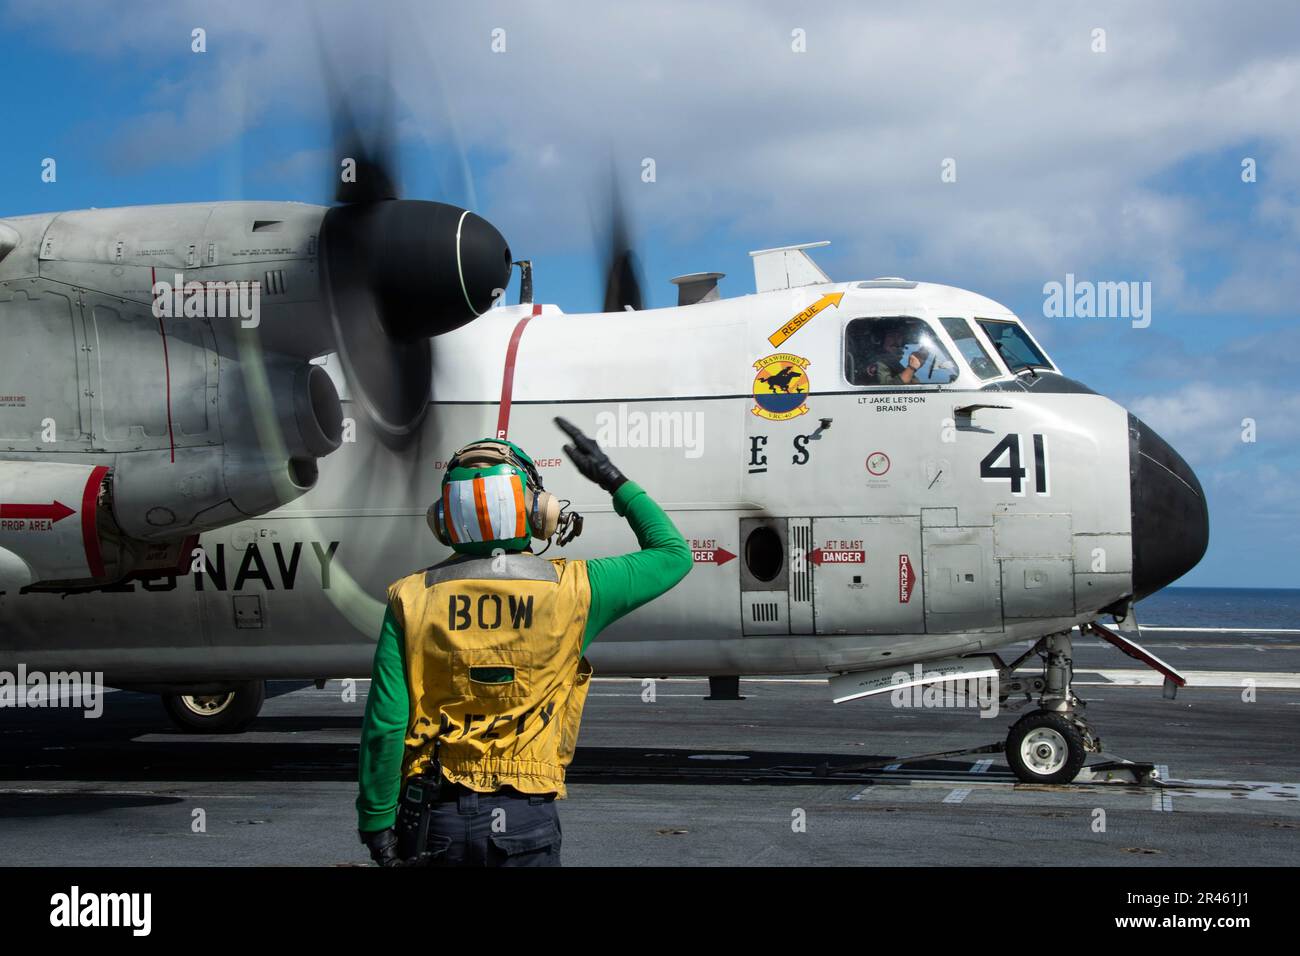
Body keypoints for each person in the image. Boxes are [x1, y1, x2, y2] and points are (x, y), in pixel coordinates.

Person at [355, 416, 691, 866]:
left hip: (438, 819)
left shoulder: (410, 597)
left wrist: (376, 823)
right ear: (538, 512)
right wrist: (614, 481)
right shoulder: (576, 589)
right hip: (524, 818)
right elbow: (673, 554)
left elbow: (387, 723)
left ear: (443, 517)